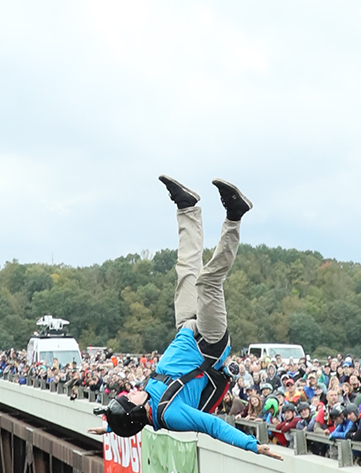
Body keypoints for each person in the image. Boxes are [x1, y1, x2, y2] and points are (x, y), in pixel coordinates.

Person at [103, 176, 259, 451]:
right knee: (208, 281)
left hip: (186, 331)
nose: (131, 392)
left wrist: (110, 426)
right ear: (136, 411)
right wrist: (251, 445)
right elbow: (212, 426)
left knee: (186, 269)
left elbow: (129, 418)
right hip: (209, 344)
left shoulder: (145, 404)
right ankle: (235, 216)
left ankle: (187, 208)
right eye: (129, 398)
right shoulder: (170, 414)